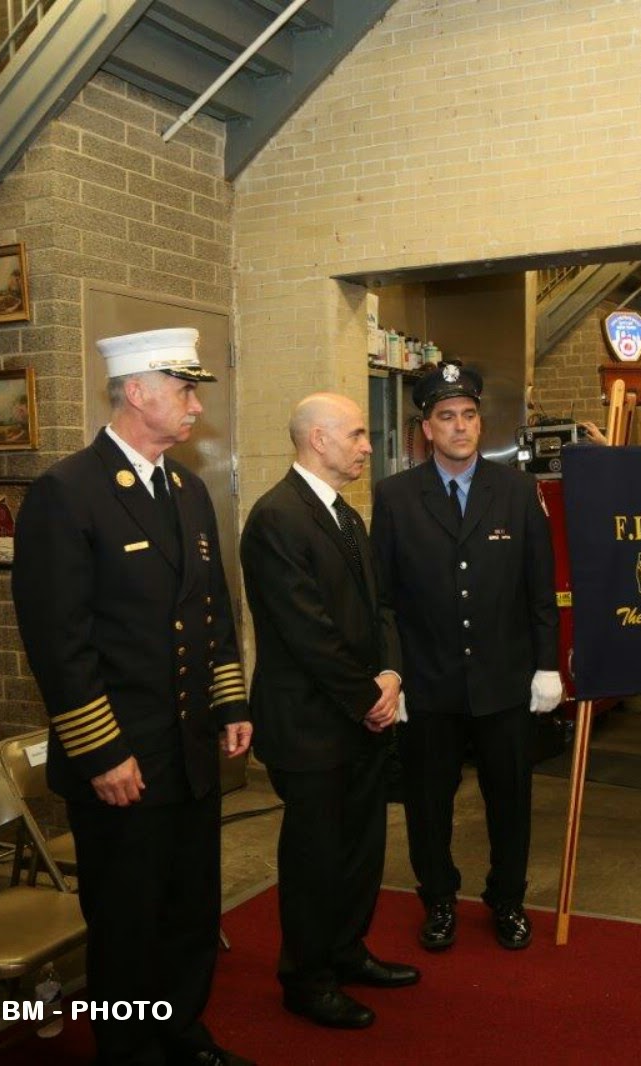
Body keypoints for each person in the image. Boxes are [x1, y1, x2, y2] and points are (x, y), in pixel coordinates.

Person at [12, 328, 253, 1066]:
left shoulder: (186, 489)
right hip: (122, 756)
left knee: (189, 908)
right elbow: (60, 643)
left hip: (188, 750)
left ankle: (182, 1034)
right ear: (137, 391)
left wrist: (231, 703)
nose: (193, 403)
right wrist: (101, 753)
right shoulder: (68, 492)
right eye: (183, 389)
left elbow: (210, 609)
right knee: (126, 921)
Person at [239, 393, 419, 1030]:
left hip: (362, 715)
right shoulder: (277, 519)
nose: (369, 446)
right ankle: (306, 978)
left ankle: (346, 951)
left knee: (361, 847)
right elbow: (305, 632)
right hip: (311, 725)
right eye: (358, 434)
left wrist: (392, 674)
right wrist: (369, 697)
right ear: (317, 439)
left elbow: (381, 611)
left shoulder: (346, 515)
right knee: (316, 857)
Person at [371, 362, 562, 952]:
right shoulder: (397, 497)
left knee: (512, 800)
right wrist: (392, 672)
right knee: (429, 805)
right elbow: (384, 599)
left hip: (504, 681)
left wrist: (548, 664)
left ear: (480, 422)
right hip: (428, 684)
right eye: (447, 417)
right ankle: (439, 899)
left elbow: (539, 587)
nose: (460, 427)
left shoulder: (516, 492)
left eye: (469, 416)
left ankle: (507, 899)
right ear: (427, 428)